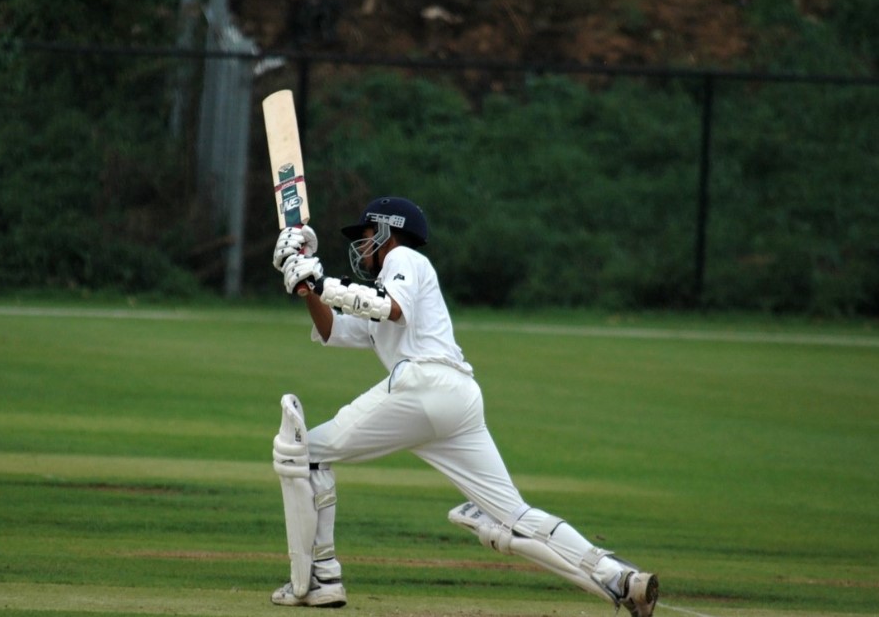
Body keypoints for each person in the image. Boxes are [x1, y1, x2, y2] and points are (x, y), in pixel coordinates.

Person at [269, 196, 659, 616]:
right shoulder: (389, 283)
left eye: (366, 236)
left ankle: (321, 577)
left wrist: (323, 280)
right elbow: (332, 329)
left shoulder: (405, 259)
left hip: (423, 386)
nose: (362, 247)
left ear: (386, 231)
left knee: (302, 454)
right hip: (459, 399)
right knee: (512, 512)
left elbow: (389, 307)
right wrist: (307, 283)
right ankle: (619, 578)